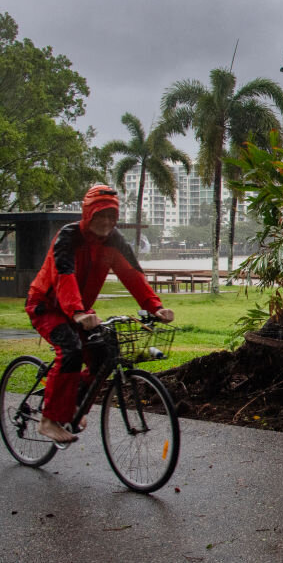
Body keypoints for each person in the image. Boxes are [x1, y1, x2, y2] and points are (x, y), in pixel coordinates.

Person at [26, 184, 174, 443]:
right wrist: (77, 313)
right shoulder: (68, 237)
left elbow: (132, 275)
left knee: (104, 355)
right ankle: (48, 420)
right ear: (88, 214)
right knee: (70, 351)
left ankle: (75, 403)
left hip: (80, 310)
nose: (106, 222)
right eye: (100, 215)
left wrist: (155, 307)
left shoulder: (114, 241)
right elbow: (64, 276)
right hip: (47, 306)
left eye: (111, 216)